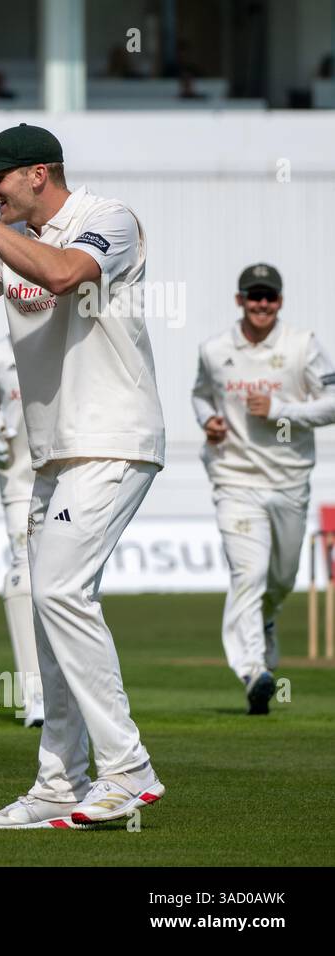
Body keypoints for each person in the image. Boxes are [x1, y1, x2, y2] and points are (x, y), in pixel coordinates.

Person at [0, 123, 166, 828]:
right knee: (47, 605)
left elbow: (60, 274)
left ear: (37, 174)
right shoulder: (9, 233)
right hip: (55, 452)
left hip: (115, 435)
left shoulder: (107, 220)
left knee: (56, 588)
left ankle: (128, 768)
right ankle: (59, 781)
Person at [192, 263, 335, 713]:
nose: (261, 304)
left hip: (289, 480)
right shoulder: (215, 350)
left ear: (280, 301)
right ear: (240, 300)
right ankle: (253, 670)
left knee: (280, 579)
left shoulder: (301, 345)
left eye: (269, 296)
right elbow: (200, 394)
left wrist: (280, 409)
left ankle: (267, 621)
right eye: (253, 296)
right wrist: (207, 421)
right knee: (247, 575)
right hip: (235, 478)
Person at [0, 335, 44, 727]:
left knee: (62, 583)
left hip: (67, 479)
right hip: (19, 484)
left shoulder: (73, 339)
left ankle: (69, 691)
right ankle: (36, 697)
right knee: (24, 572)